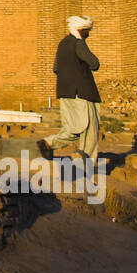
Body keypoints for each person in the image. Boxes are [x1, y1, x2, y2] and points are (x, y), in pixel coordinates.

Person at [40, 15, 102, 163]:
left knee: (73, 127)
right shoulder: (78, 43)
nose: (88, 34)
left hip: (65, 92)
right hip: (81, 92)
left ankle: (48, 143)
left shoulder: (62, 43)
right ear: (79, 30)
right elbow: (94, 63)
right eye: (86, 31)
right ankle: (87, 161)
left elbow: (56, 68)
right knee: (89, 128)